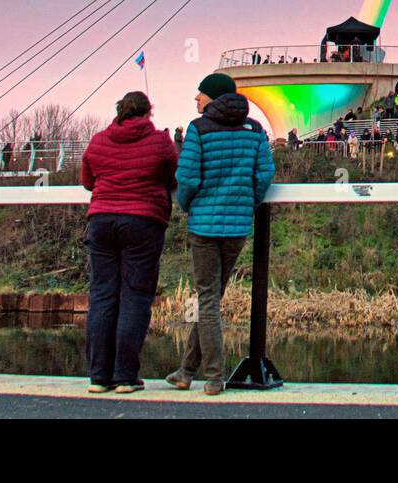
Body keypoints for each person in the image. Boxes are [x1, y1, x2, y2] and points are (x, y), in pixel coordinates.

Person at [167, 73, 276, 396]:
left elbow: (186, 177)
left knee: (207, 299)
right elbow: (264, 174)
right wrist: (249, 201)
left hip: (204, 225)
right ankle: (186, 371)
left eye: (200, 95)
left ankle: (214, 377)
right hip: (238, 225)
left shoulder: (198, 129)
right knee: (211, 298)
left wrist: (188, 205)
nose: (196, 100)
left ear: (213, 98)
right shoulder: (255, 130)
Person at [80, 91, 178, 394]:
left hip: (102, 221)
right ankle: (125, 376)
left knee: (102, 295)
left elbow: (87, 180)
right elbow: (173, 178)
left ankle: (98, 376)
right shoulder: (161, 141)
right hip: (142, 222)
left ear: (119, 111)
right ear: (148, 112)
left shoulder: (98, 141)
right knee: (135, 296)